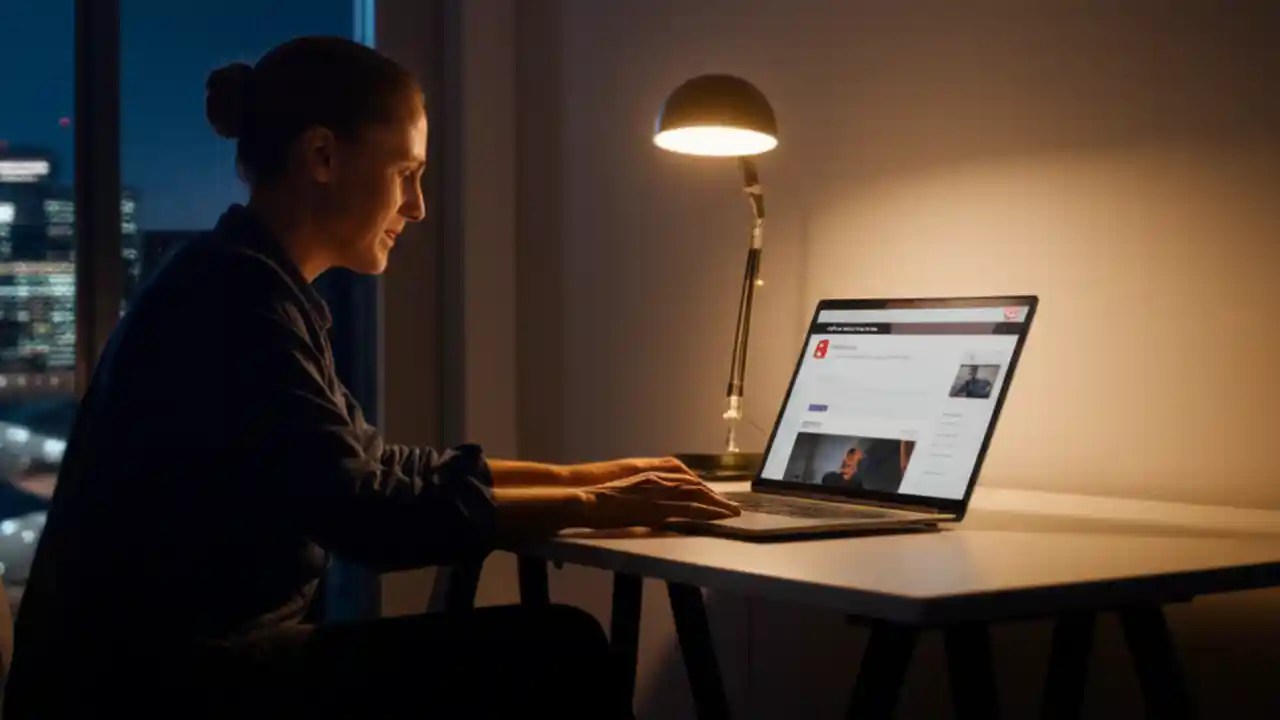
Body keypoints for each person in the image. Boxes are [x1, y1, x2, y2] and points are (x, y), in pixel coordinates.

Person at [3, 37, 740, 719]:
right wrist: (594, 503)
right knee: (563, 648)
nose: (416, 207)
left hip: (159, 676)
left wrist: (594, 477)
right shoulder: (235, 302)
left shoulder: (249, 282)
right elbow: (368, 512)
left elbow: (375, 468)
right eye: (406, 174)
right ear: (323, 154)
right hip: (160, 690)